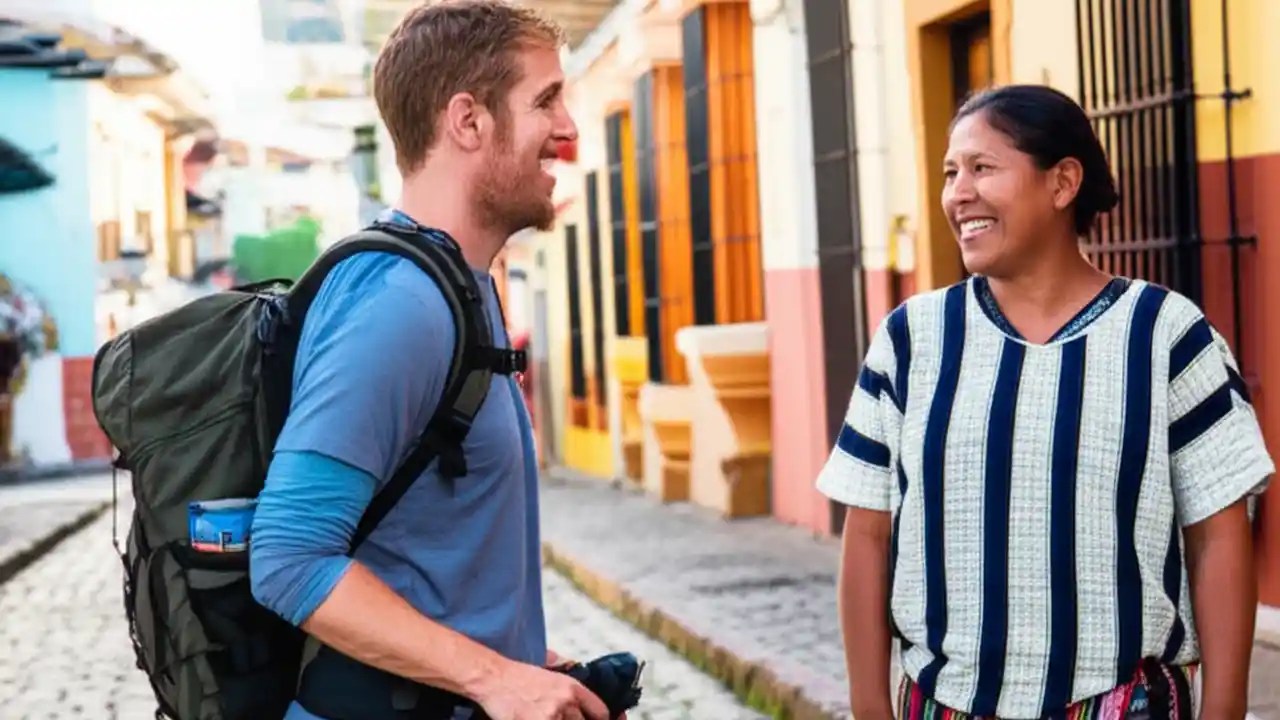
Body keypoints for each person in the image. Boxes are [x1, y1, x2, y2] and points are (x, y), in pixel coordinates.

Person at [817, 84, 1274, 720]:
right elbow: (866, 535)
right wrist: (870, 707)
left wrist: (1223, 711)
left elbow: (1219, 538)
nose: (958, 194)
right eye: (951, 173)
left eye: (982, 168)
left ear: (1062, 184)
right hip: (942, 706)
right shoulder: (911, 339)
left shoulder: (1165, 334)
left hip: (1127, 705)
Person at [247, 2, 610, 719]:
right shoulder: (399, 304)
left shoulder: (457, 289)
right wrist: (494, 679)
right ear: (468, 121)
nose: (567, 128)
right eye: (545, 100)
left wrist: (523, 661)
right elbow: (290, 558)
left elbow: (419, 546)